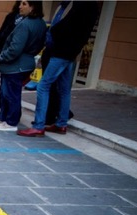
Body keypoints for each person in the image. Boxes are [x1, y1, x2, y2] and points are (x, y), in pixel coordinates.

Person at [18, 0, 99, 136]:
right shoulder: (87, 5)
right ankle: (61, 124)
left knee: (43, 86)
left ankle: (39, 126)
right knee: (64, 89)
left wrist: (51, 31)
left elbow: (66, 27)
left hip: (61, 51)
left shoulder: (80, 5)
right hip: (69, 52)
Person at [0, 1, 46, 132]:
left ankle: (11, 122)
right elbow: (40, 44)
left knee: (10, 94)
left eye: (24, 4)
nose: (20, 6)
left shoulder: (25, 24)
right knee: (11, 93)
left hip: (15, 65)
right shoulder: (40, 23)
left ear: (32, 6)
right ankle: (6, 119)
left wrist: (1, 56)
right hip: (25, 63)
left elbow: (15, 49)